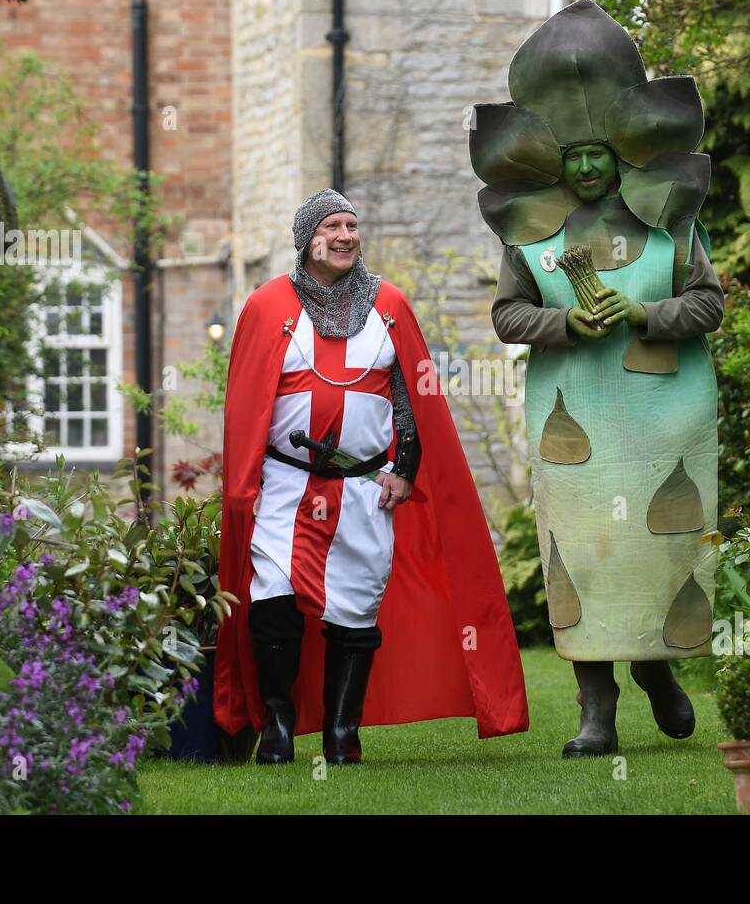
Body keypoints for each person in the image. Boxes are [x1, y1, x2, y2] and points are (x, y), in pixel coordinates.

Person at [472, 0, 725, 756]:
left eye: (597, 154)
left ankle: (658, 678)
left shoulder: (670, 225)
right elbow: (507, 315)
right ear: (554, 162)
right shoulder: (531, 235)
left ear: (621, 157)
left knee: (651, 554)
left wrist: (644, 314)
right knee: (578, 554)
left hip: (660, 418)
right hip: (571, 415)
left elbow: (709, 305)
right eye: (572, 155)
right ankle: (597, 711)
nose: (585, 166)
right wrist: (563, 324)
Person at [215, 188, 529, 765]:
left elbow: (413, 392)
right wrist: (246, 487)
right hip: (287, 483)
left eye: (352, 226)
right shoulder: (267, 306)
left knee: (355, 608)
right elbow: (246, 407)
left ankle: (341, 733)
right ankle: (279, 725)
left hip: (364, 486)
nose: (344, 236)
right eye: (331, 226)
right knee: (274, 596)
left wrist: (405, 468)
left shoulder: (389, 306)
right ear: (307, 239)